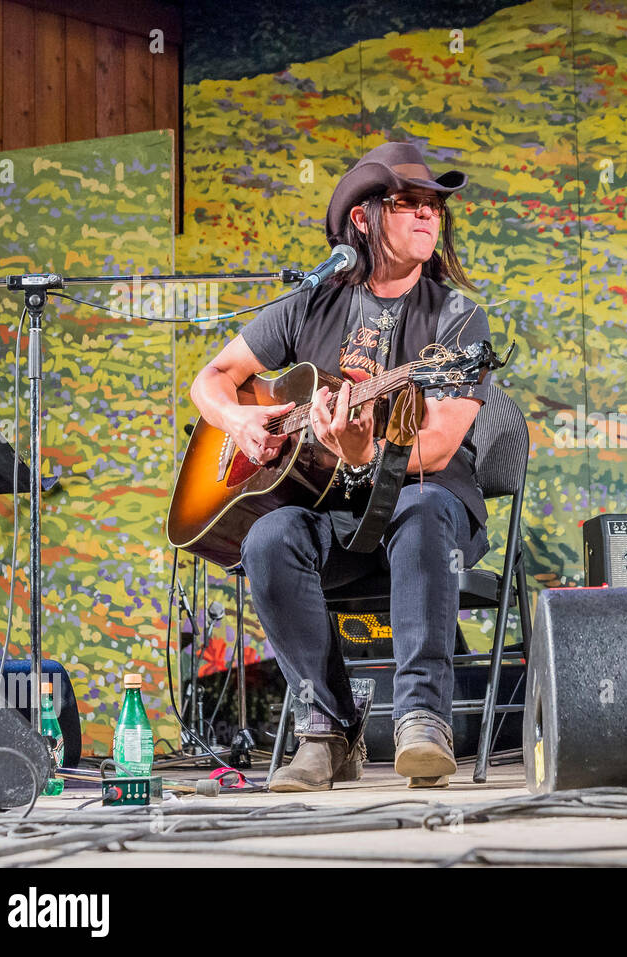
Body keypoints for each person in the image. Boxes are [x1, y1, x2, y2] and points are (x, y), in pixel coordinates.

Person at [189, 142, 491, 790]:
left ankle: (421, 719)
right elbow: (212, 377)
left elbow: (436, 445)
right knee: (268, 536)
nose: (426, 214)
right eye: (407, 201)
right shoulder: (310, 305)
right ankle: (327, 728)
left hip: (426, 510)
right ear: (362, 219)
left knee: (421, 503)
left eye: (433, 204)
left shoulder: (457, 320)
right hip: (340, 522)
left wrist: (369, 454)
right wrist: (241, 420)